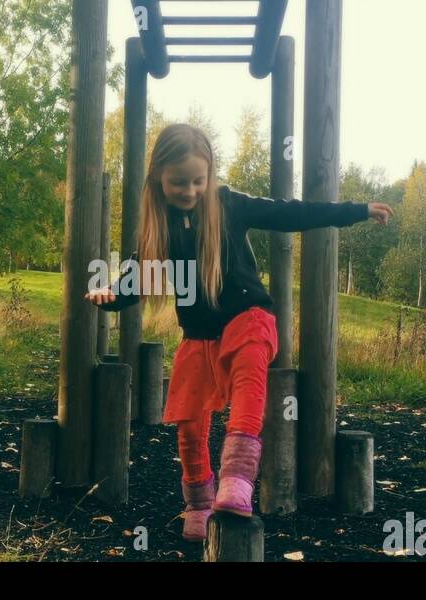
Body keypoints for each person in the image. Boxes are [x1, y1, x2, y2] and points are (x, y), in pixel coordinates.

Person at [85, 124, 393, 541]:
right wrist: (110, 295)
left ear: (210, 174)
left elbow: (290, 213)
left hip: (250, 317)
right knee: (189, 423)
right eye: (179, 182)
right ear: (158, 177)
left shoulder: (229, 205)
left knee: (249, 371)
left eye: (199, 180)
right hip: (199, 337)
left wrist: (354, 211)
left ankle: (238, 478)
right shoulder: (159, 229)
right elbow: (136, 279)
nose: (190, 190)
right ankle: (198, 504)